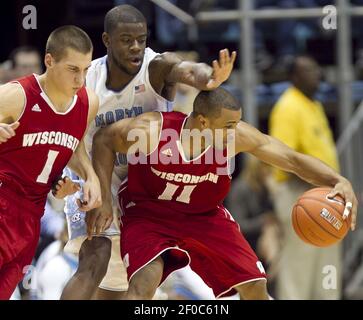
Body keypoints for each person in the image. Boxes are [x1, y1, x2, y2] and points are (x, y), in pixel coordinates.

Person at [90, 87, 357, 300]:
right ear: (203, 122)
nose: (235, 131)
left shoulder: (235, 136)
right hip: (149, 216)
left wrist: (337, 179)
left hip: (204, 217)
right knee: (144, 284)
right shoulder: (152, 130)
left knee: (255, 286)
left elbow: (292, 159)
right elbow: (103, 140)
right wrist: (102, 195)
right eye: (229, 125)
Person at [53, 4, 236, 300]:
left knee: (127, 286)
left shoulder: (156, 67)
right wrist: (81, 184)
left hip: (144, 192)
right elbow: (69, 135)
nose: (136, 47)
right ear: (107, 40)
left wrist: (208, 78)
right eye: (126, 40)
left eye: (142, 38)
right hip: (96, 181)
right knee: (94, 258)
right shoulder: (87, 80)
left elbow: (186, 70)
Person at [0, 25, 101, 300]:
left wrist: (89, 176)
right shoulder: (15, 96)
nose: (80, 80)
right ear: (49, 61)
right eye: (72, 69)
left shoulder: (88, 103)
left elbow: (74, 144)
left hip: (33, 213)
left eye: (86, 69)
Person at [268, 55, 343, 299]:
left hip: (326, 195)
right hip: (299, 194)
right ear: (294, 77)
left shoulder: (315, 105)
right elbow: (283, 159)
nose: (316, 74)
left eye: (317, 69)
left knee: (326, 263)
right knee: (299, 263)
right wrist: (322, 189)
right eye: (309, 70)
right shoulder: (288, 107)